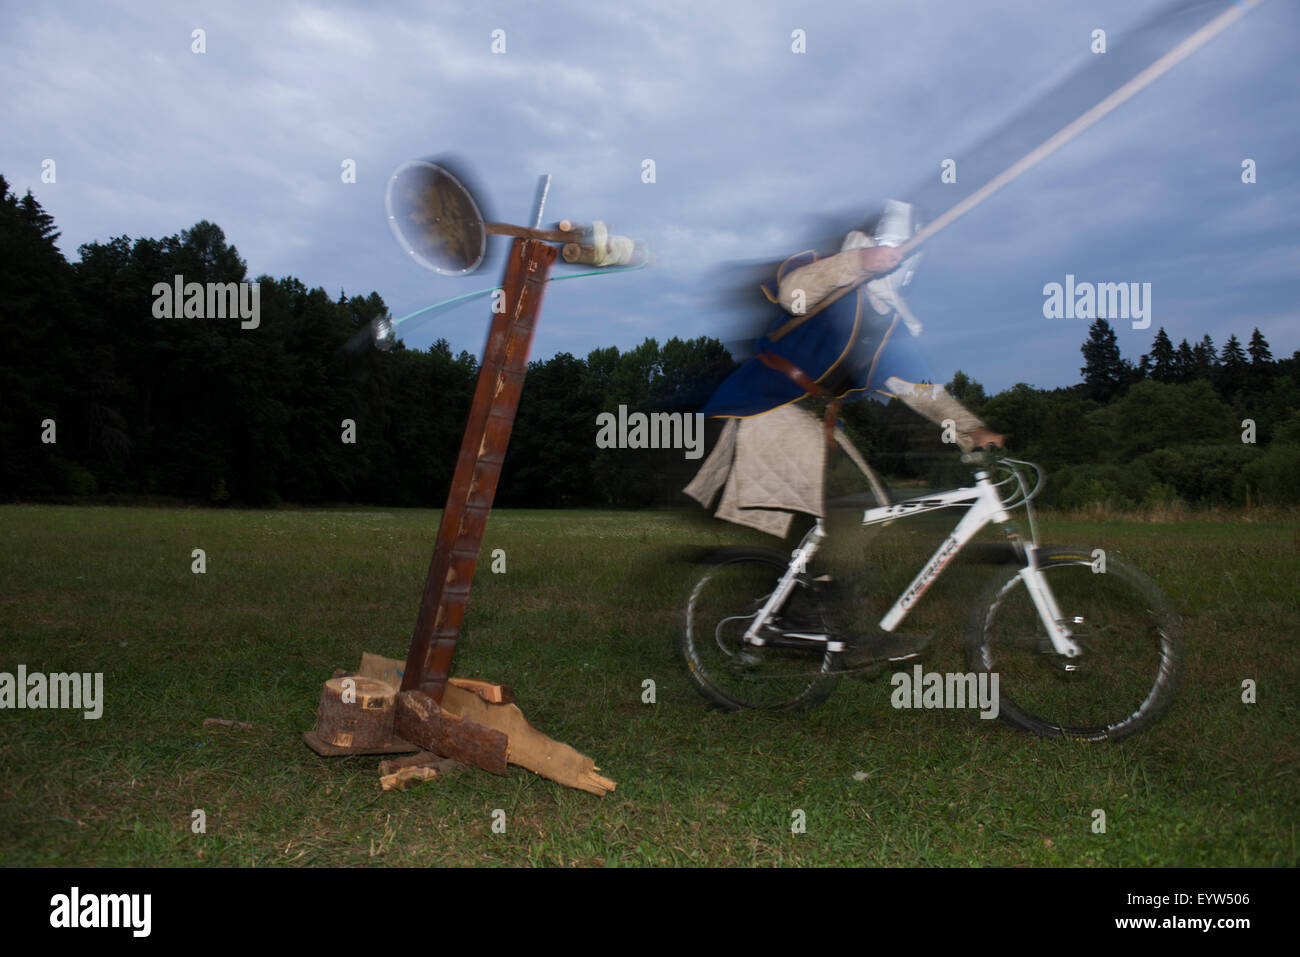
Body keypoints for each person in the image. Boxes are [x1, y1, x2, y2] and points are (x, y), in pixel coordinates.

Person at [689, 201, 1003, 666]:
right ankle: (840, 631)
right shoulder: (826, 276)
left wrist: (972, 430)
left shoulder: (887, 327)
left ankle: (794, 610)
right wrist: (855, 264)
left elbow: (921, 393)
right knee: (844, 504)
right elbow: (793, 295)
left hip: (810, 419)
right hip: (766, 405)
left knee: (864, 510)